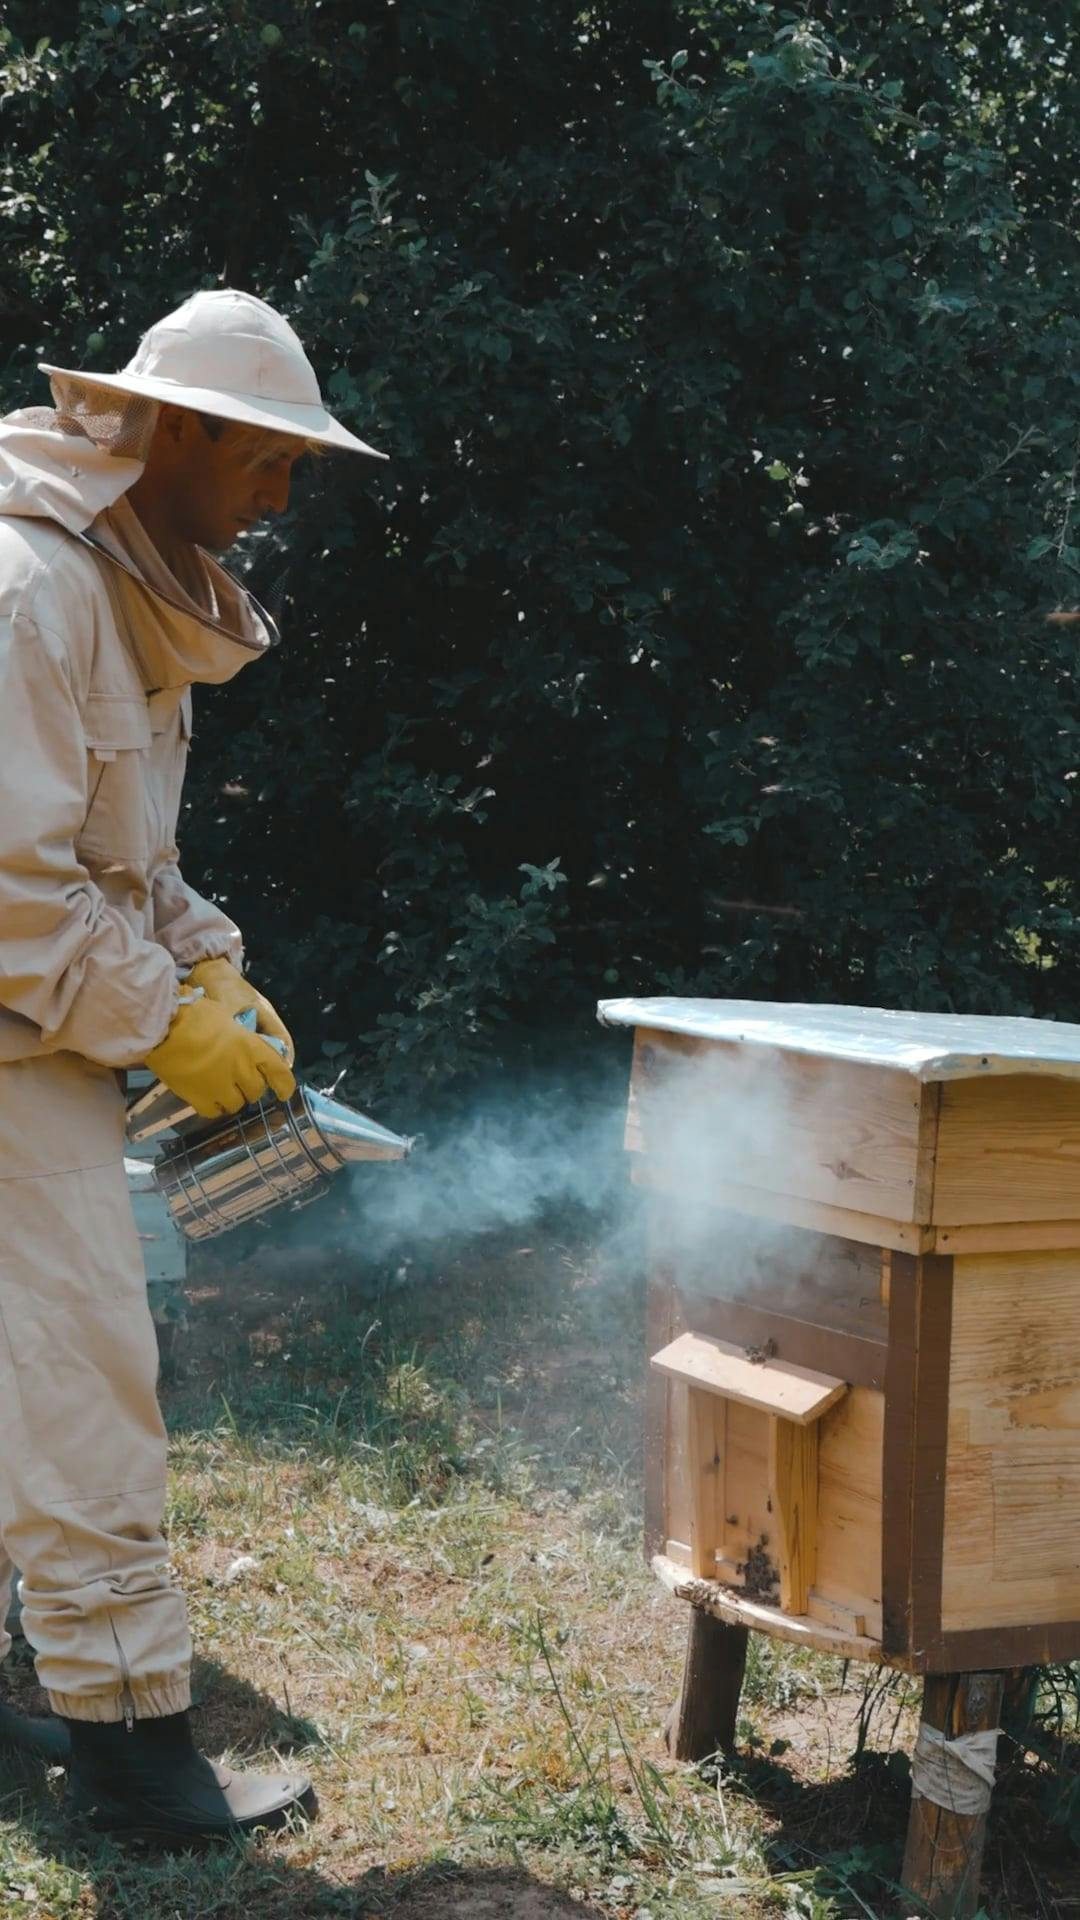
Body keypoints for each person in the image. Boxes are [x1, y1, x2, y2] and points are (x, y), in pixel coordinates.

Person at [0, 289, 385, 1838]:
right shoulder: (28, 593)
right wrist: (159, 1014)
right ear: (179, 432)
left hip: (36, 1035)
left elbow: (119, 862)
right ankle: (136, 1760)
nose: (283, 498)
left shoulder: (116, 592)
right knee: (91, 1372)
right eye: (269, 462)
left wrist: (207, 962)